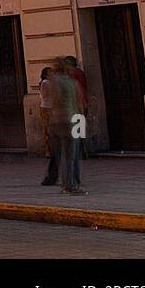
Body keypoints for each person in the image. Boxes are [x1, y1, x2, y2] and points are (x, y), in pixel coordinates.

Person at [48, 59, 86, 194]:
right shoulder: (72, 82)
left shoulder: (52, 81)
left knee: (61, 155)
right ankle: (71, 185)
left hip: (55, 121)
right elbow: (80, 102)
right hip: (71, 120)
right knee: (71, 155)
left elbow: (52, 99)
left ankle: (65, 184)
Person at [65, 54, 89, 186]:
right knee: (80, 131)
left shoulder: (72, 76)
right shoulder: (80, 73)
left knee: (75, 133)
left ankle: (79, 153)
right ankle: (83, 152)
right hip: (81, 105)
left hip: (75, 107)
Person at [39, 67, 58, 186]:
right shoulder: (46, 83)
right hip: (47, 107)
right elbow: (46, 95)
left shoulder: (49, 82)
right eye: (50, 72)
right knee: (47, 130)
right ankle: (48, 150)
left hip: (50, 107)